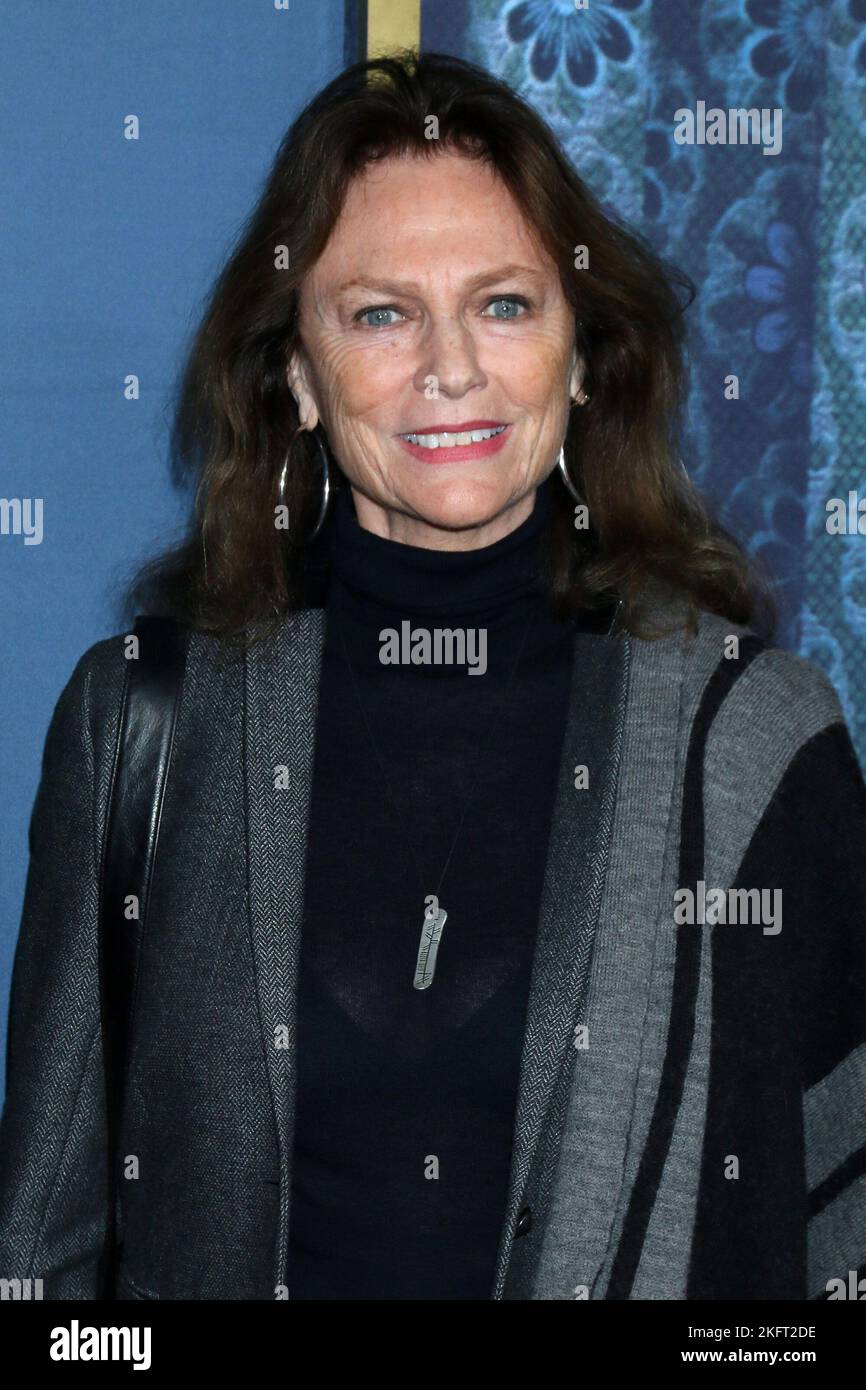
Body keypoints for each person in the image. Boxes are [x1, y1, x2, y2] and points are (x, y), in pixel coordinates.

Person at [1, 50, 864, 1302]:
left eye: (504, 304)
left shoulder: (749, 747)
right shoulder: (146, 726)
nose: (449, 366)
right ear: (296, 375)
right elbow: (40, 1260)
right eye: (379, 312)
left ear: (579, 357)